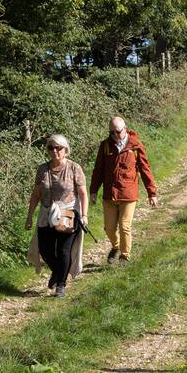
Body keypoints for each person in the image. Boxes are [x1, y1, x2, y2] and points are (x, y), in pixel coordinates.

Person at [89, 115, 159, 262]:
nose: (115, 135)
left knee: (124, 227)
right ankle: (116, 247)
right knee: (109, 228)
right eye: (111, 132)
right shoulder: (105, 146)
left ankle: (124, 256)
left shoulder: (135, 146)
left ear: (125, 129)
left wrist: (152, 193)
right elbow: (98, 170)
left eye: (118, 132)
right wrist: (93, 191)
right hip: (109, 194)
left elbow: (145, 169)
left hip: (128, 194)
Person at [26, 134, 87, 297]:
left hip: (68, 213)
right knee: (45, 250)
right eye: (51, 148)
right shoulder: (42, 169)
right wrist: (30, 215)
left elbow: (83, 194)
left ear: (65, 150)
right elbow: (36, 194)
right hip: (46, 213)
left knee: (63, 250)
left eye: (58, 148)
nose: (54, 151)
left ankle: (61, 284)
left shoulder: (74, 168)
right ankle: (57, 271)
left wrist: (84, 215)